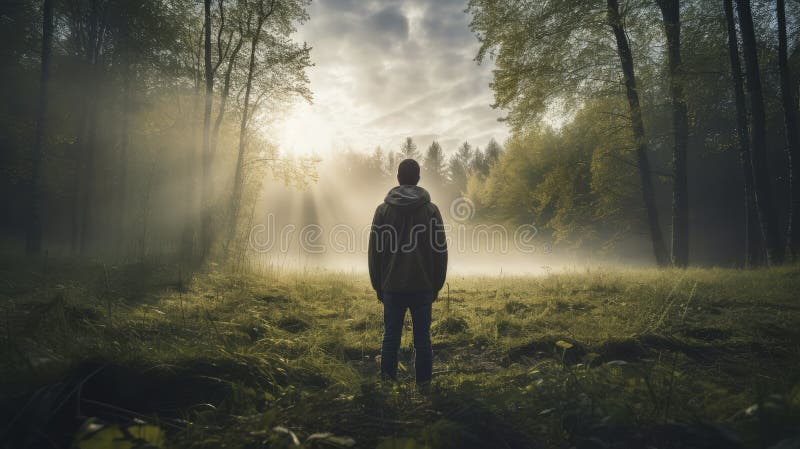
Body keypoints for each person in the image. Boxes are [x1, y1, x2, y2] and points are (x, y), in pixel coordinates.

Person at [368, 158, 448, 384]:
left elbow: (375, 252)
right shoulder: (431, 210)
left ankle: (386, 387)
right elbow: (440, 251)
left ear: (398, 179)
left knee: (390, 338)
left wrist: (378, 285)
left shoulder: (382, 211)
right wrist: (437, 284)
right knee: (423, 340)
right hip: (423, 286)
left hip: (392, 286)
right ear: (418, 179)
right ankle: (424, 390)